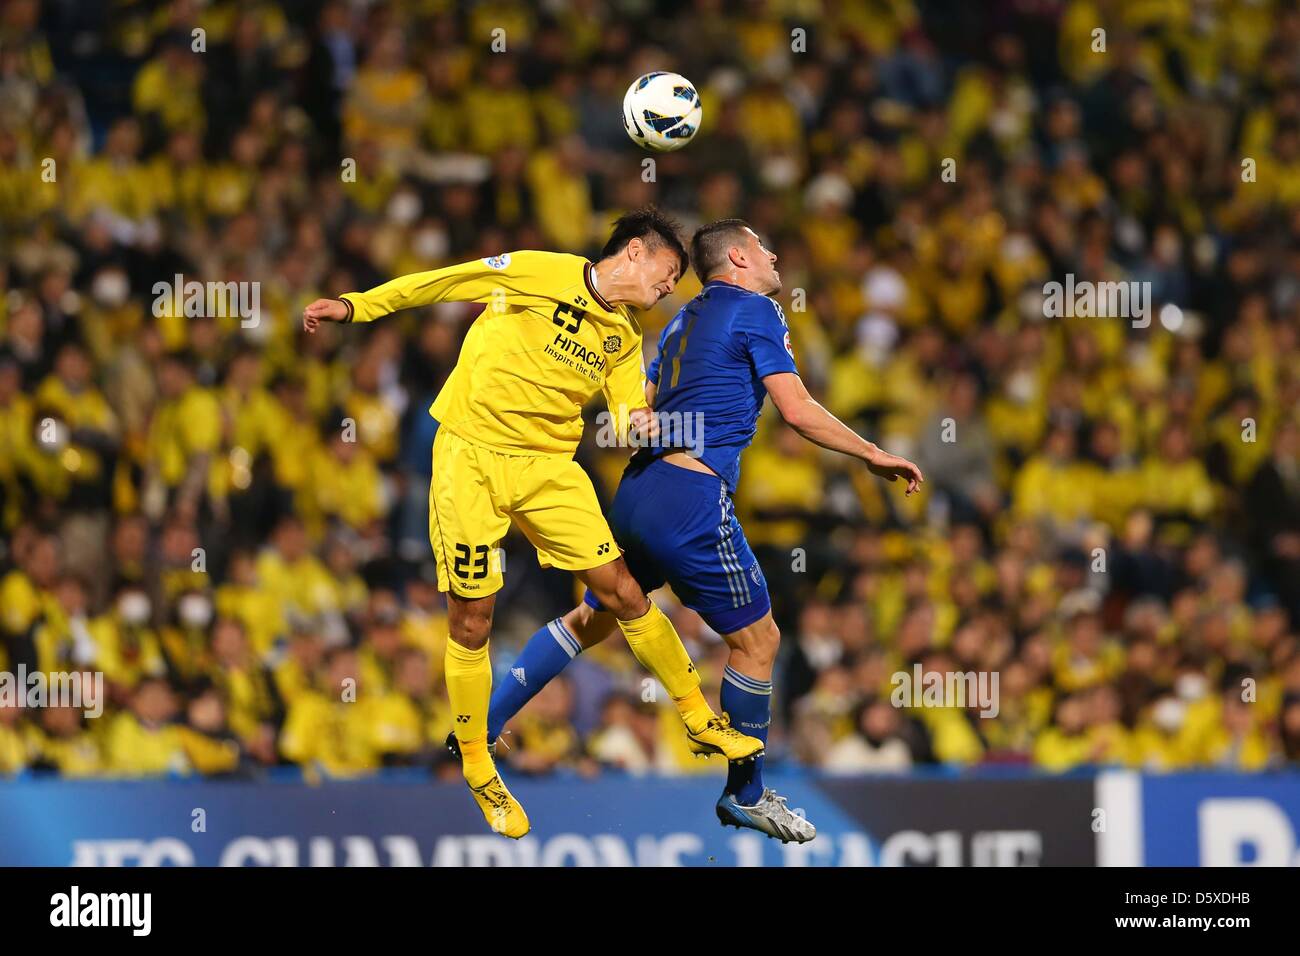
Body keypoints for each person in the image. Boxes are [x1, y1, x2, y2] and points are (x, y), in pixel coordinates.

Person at [301, 207, 763, 838]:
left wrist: (642, 425)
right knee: (472, 618)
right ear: (634, 251)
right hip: (470, 455)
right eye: (668, 270)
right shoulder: (539, 271)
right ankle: (476, 763)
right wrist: (357, 307)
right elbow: (443, 281)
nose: (669, 286)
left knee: (623, 591)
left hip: (549, 469)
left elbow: (628, 413)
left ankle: (697, 717)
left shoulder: (623, 338)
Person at [481, 219, 923, 842]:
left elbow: (649, 399)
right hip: (689, 498)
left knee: (597, 616)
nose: (774, 255)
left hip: (638, 490)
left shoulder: (683, 319)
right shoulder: (759, 309)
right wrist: (871, 452)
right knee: (760, 641)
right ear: (739, 259)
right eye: (764, 246)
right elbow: (796, 410)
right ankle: (747, 793)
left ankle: (479, 726)